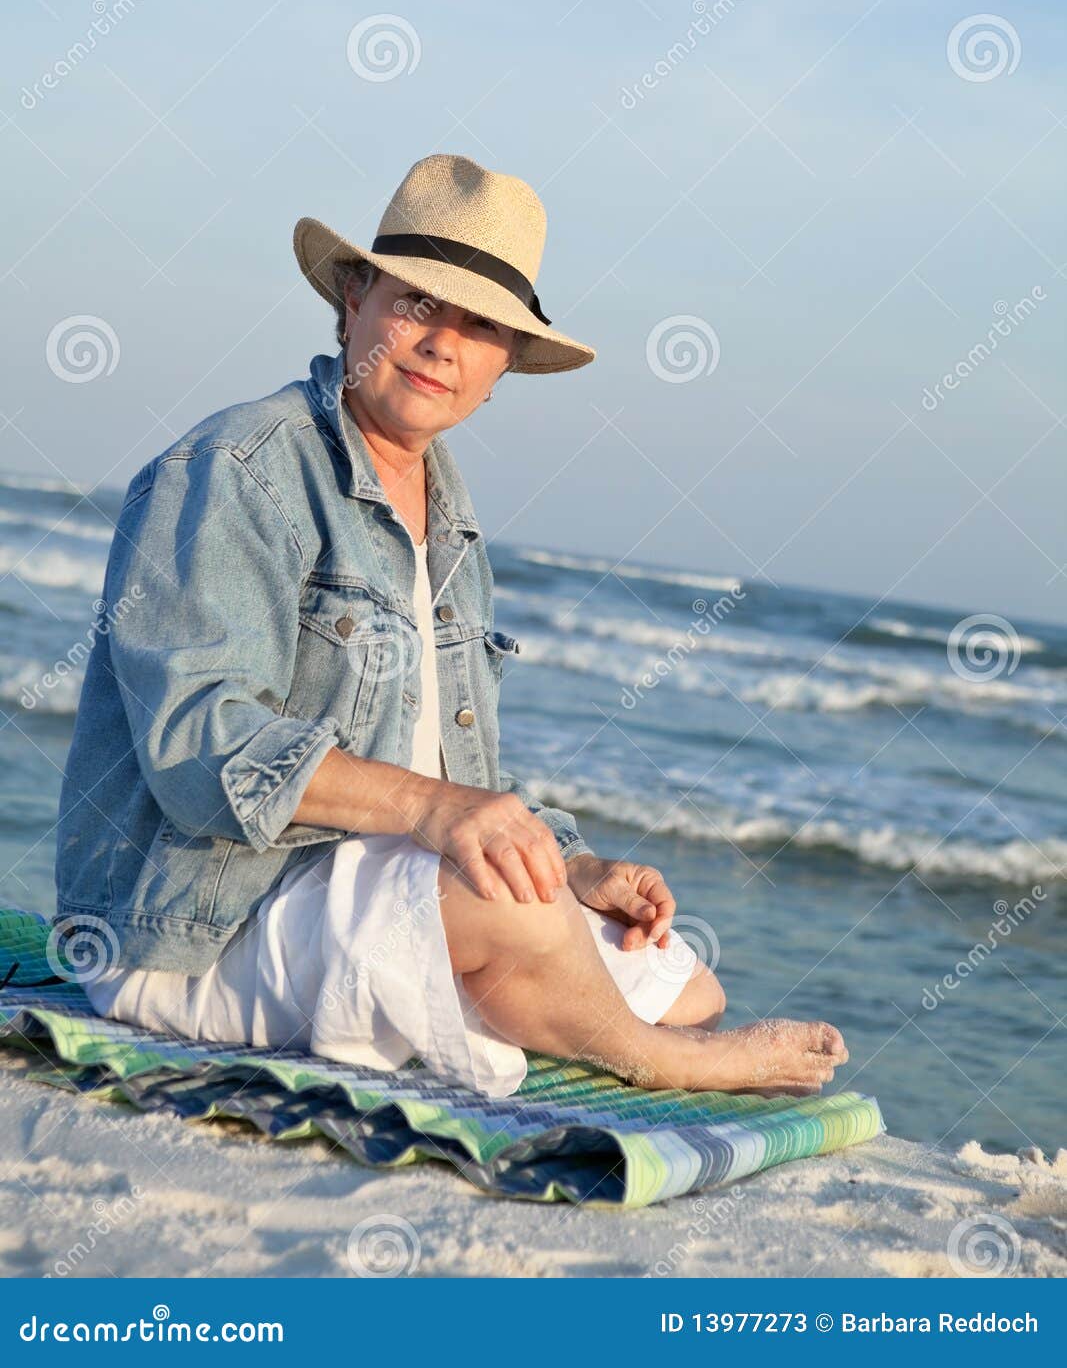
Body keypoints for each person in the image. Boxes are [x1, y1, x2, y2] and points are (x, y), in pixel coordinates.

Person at [52, 152, 846, 1097]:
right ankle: (658, 1063)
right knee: (557, 950)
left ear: (503, 367)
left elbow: (446, 773)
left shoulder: (451, 518)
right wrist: (442, 816)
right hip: (194, 929)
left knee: (683, 983)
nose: (442, 345)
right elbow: (199, 742)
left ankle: (565, 1001)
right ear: (353, 300)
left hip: (360, 888)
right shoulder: (238, 470)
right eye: (418, 304)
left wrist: (573, 862)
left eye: (479, 326)